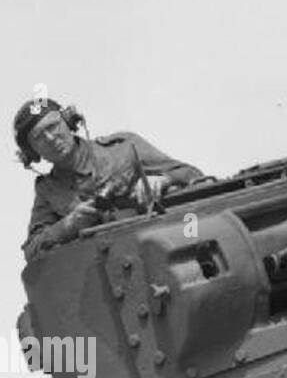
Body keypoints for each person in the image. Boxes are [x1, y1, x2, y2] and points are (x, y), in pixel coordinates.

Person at [13, 97, 204, 259]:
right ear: (32, 151)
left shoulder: (123, 148)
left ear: (68, 122)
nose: (50, 138)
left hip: (168, 247)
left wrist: (164, 179)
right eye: (38, 137)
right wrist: (69, 224)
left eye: (53, 126)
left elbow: (193, 174)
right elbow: (32, 250)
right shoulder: (48, 190)